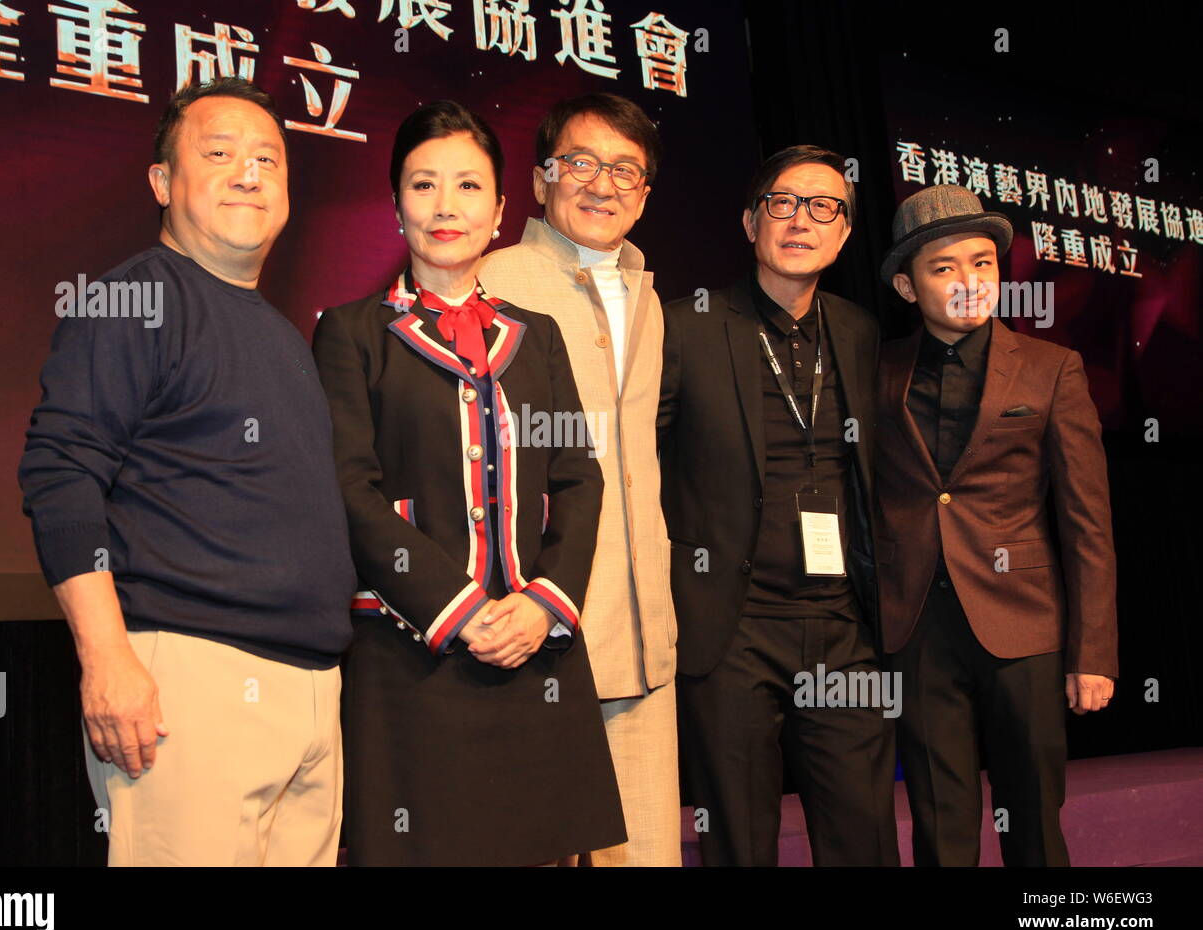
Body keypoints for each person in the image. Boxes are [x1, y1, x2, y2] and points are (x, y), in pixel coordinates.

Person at [18, 77, 355, 866]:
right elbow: (59, 472)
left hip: (312, 690)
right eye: (220, 153)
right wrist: (106, 660)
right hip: (190, 686)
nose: (249, 173)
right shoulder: (136, 298)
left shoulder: (283, 334)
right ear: (163, 183)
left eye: (268, 160)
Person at [312, 100, 625, 866]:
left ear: (500, 211)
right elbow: (349, 491)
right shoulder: (351, 334)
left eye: (468, 187)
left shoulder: (535, 335)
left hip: (536, 652)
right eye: (423, 186)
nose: (446, 206)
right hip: (411, 658)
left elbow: (579, 479)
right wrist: (460, 611)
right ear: (395, 207)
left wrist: (542, 604)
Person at [658, 145, 898, 866]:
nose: (803, 219)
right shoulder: (685, 325)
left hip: (841, 625)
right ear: (749, 222)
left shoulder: (857, 333)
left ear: (846, 234)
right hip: (732, 630)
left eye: (825, 206)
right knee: (739, 841)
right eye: (784, 203)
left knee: (864, 835)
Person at [877, 183, 1118, 866]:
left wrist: (1093, 653)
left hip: (1025, 624)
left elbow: (1087, 522)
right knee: (939, 820)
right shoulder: (875, 371)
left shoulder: (1051, 369)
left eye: (982, 264)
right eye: (944, 267)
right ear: (906, 284)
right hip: (916, 625)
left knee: (1035, 817)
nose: (968, 282)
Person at [478, 93, 680, 866]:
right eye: (581, 163)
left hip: (642, 625)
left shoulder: (650, 294)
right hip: (539, 627)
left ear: (646, 192)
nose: (603, 184)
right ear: (540, 179)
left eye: (625, 169)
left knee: (648, 846)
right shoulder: (497, 282)